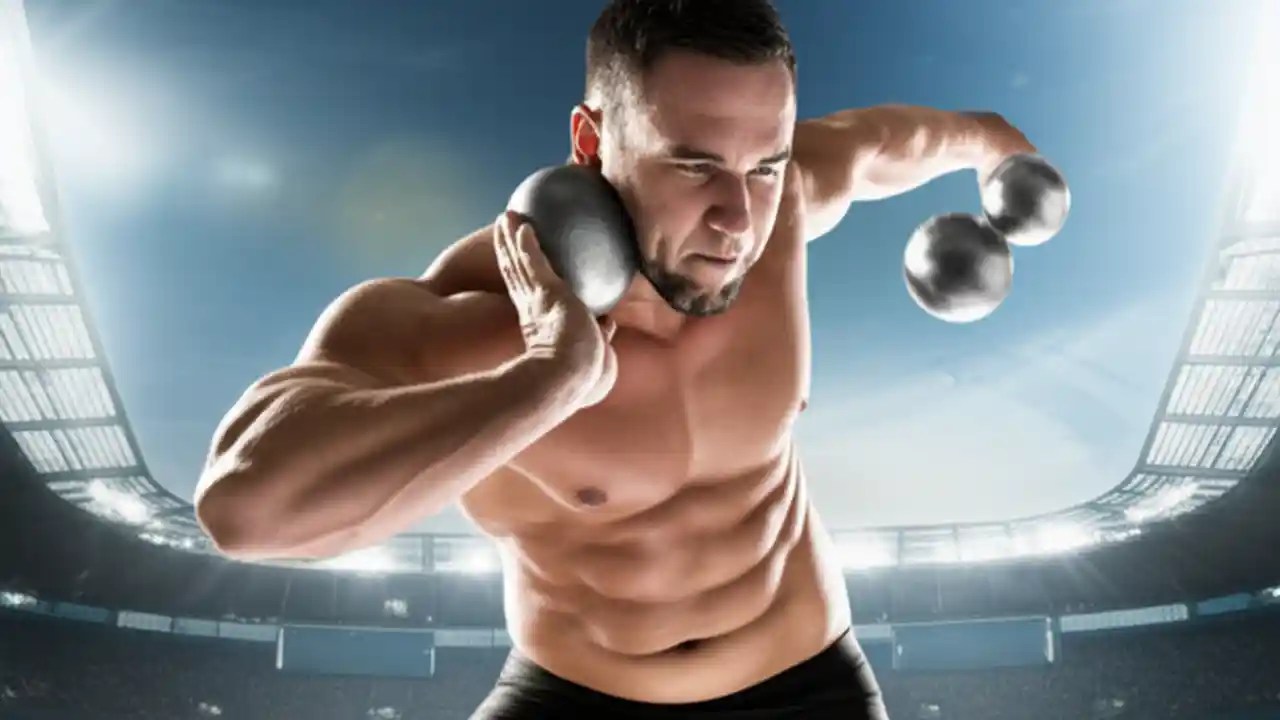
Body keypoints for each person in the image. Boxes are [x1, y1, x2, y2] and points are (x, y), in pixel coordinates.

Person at [193, 1, 1036, 716]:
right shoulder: (460, 319)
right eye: (695, 165)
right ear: (591, 142)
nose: (738, 219)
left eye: (766, 165)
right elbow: (244, 509)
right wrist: (543, 383)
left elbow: (881, 144)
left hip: (806, 682)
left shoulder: (772, 216)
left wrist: (991, 141)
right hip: (574, 695)